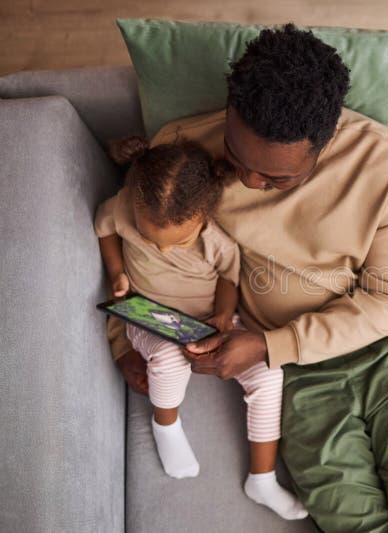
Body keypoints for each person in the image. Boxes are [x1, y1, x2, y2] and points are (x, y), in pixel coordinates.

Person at [107, 24, 388, 531]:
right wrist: (123, 341)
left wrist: (270, 345)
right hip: (299, 372)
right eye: (236, 159)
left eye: (277, 178)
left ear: (324, 142)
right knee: (348, 516)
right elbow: (143, 253)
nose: (250, 181)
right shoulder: (182, 154)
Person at [95, 136, 307, 520]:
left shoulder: (214, 239)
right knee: (167, 358)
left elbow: (229, 277)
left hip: (207, 320)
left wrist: (224, 317)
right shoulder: (124, 206)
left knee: (269, 373)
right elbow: (104, 226)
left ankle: (262, 479)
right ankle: (166, 427)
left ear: (204, 217)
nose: (162, 250)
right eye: (149, 238)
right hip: (150, 316)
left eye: (177, 242)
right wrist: (116, 272)